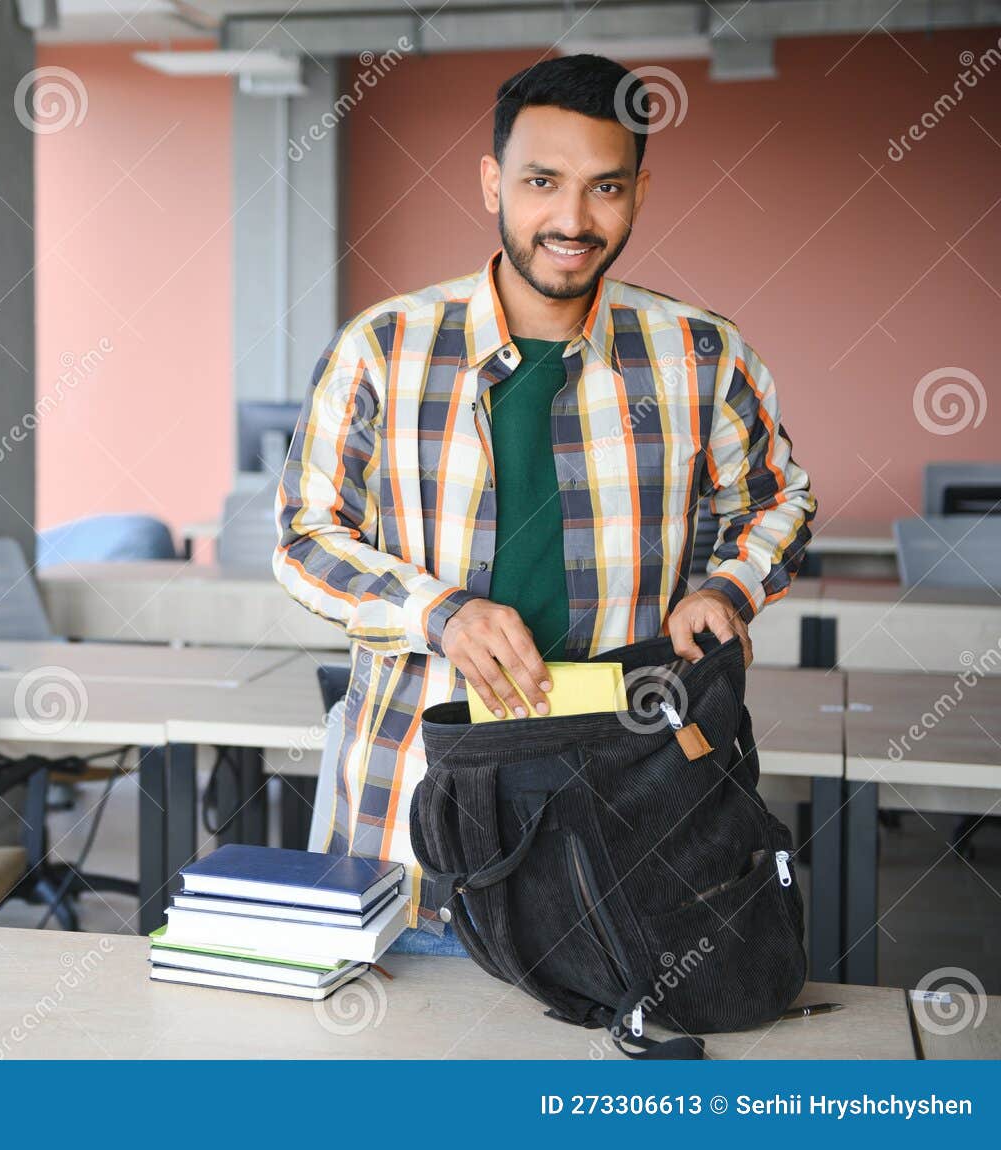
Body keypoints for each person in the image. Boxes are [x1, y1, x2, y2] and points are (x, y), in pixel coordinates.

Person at [273, 54, 815, 955]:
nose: (572, 218)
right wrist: (439, 613)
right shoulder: (383, 349)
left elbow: (776, 500)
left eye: (605, 187)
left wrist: (728, 589)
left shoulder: (700, 354)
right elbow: (304, 539)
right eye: (541, 182)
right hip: (411, 833)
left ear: (640, 190)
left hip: (629, 821)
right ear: (493, 182)